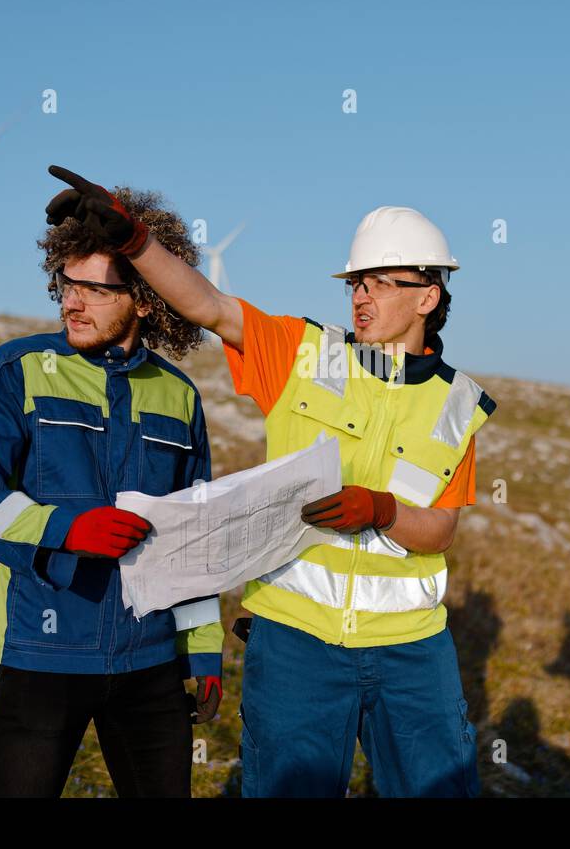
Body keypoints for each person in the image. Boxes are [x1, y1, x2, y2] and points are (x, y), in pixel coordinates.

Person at [42, 165, 496, 797]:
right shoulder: (306, 352)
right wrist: (135, 242)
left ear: (427, 296)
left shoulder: (458, 405)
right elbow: (207, 305)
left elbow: (441, 530)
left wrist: (383, 510)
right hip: (295, 644)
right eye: (355, 283)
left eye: (380, 284)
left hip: (414, 652)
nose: (361, 296)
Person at [0, 184, 224, 797]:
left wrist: (202, 650)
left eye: (95, 290)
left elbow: (193, 535)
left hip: (151, 661)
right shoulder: (15, 371)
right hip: (43, 655)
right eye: (67, 285)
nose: (73, 303)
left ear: (145, 300)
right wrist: (64, 531)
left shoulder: (178, 394)